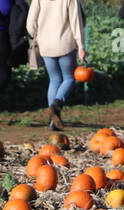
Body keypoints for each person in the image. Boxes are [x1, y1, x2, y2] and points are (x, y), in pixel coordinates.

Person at [27, 0, 87, 131]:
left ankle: (52, 120)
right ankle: (57, 104)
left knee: (54, 80)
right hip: (65, 44)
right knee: (70, 78)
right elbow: (76, 22)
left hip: (46, 45)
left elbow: (30, 23)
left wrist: (37, 36)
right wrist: (81, 46)